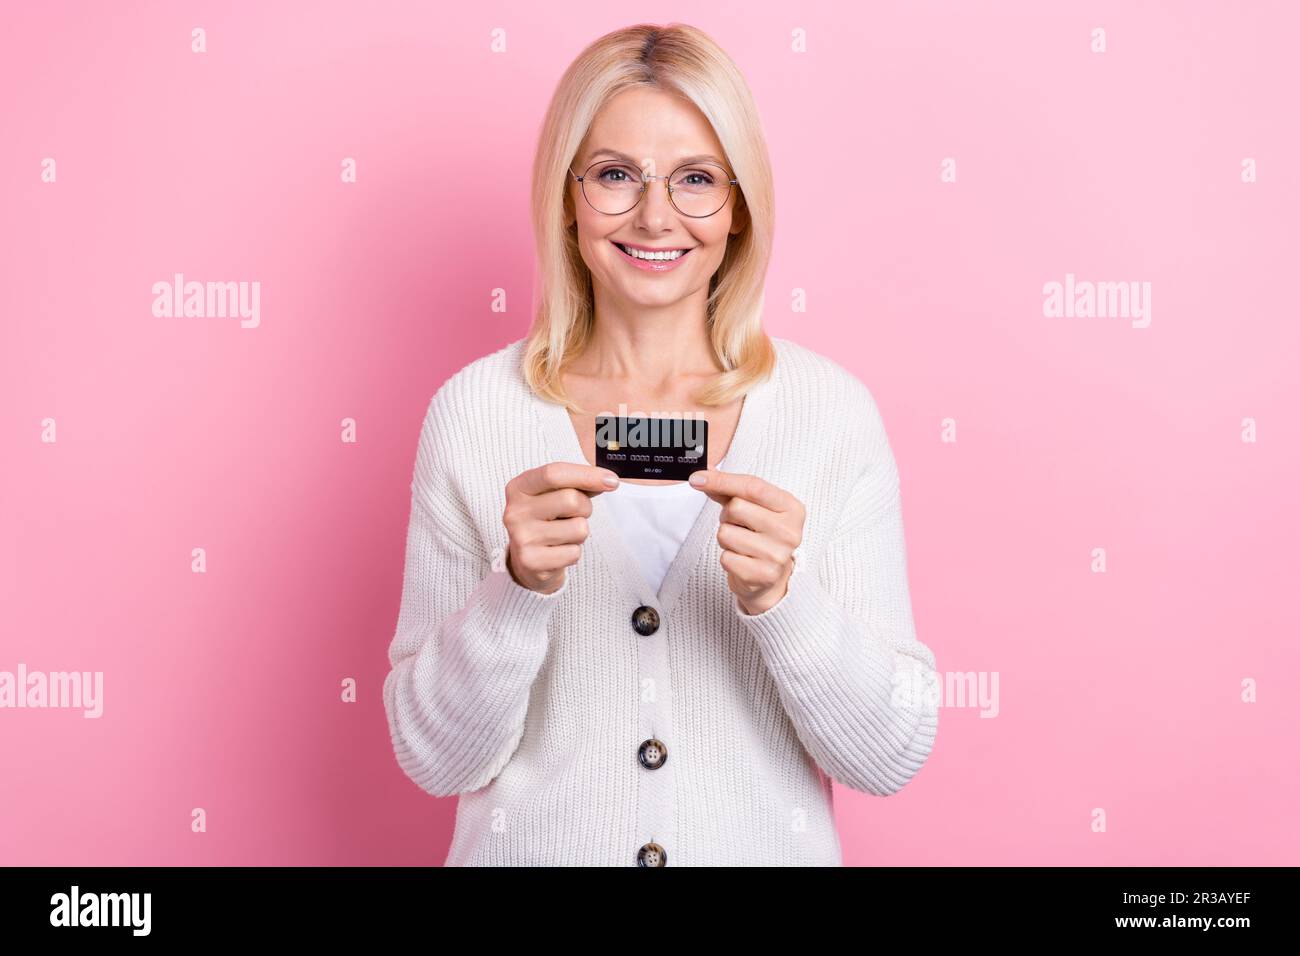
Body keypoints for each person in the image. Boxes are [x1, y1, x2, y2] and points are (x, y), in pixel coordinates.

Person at [382, 22, 939, 867]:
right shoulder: (476, 414)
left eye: (696, 180)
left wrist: (785, 603)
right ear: (567, 198)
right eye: (614, 175)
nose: (655, 216)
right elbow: (436, 760)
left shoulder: (829, 415)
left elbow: (888, 755)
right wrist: (515, 590)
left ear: (740, 205)